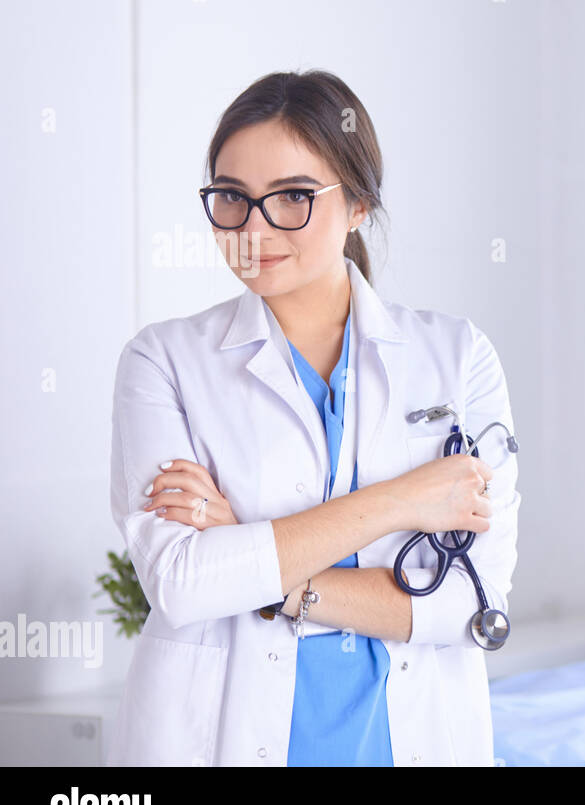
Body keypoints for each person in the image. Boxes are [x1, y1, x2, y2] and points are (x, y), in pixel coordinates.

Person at [107, 70, 520, 766]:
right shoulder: (162, 360)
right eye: (231, 198)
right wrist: (405, 500)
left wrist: (251, 557)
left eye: (294, 196)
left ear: (358, 204)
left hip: (406, 742)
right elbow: (182, 583)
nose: (254, 228)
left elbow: (465, 605)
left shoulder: (457, 357)